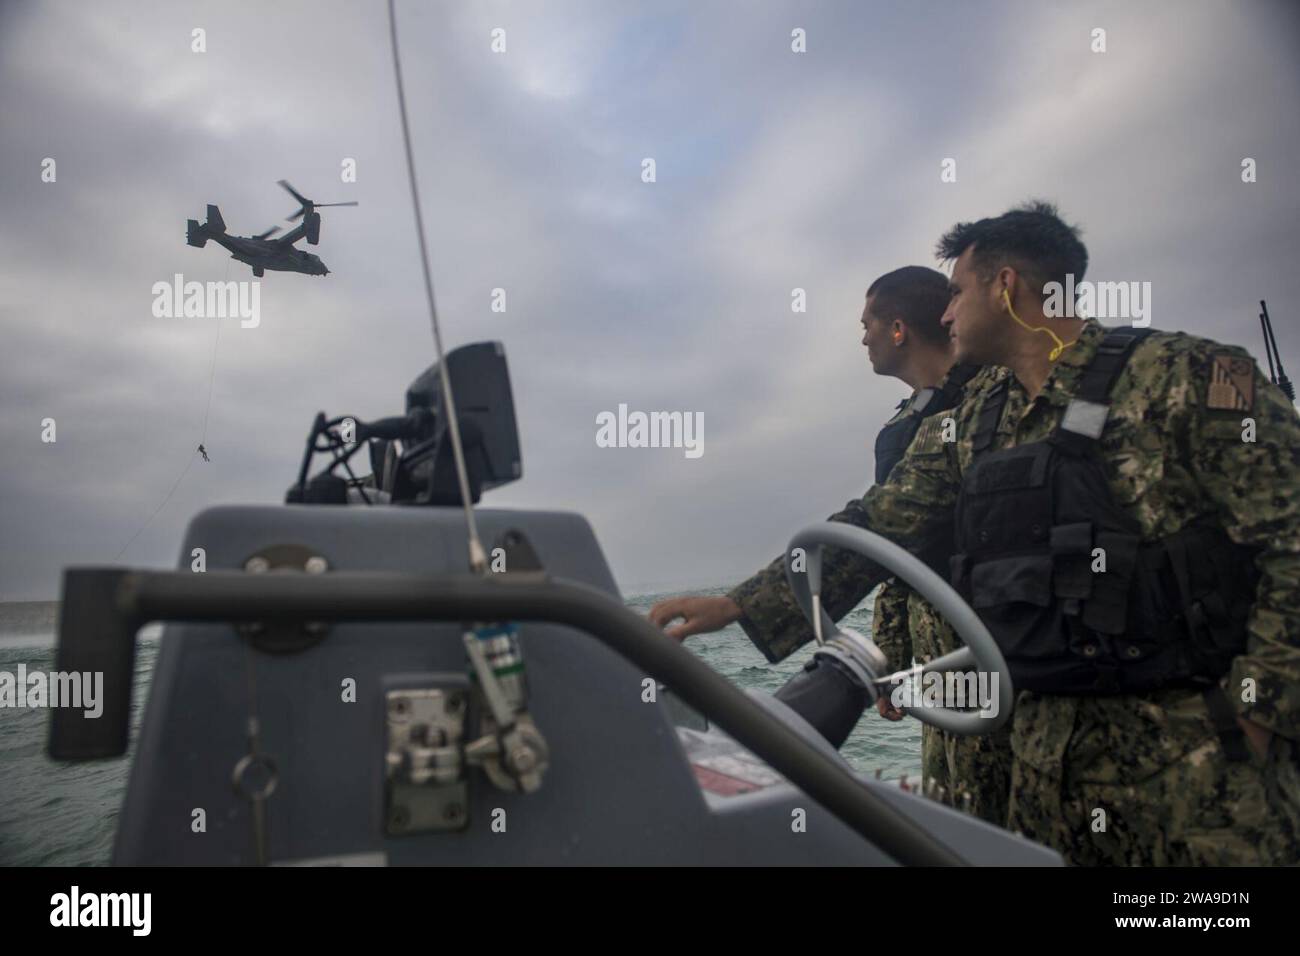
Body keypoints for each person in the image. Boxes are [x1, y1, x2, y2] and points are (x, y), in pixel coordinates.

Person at [651, 200, 1300, 865]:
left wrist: (1261, 712)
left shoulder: (1185, 377)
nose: (948, 312)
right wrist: (734, 605)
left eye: (958, 292)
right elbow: (879, 523)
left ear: (1006, 286)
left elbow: (1292, 543)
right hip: (1043, 765)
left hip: (1196, 771)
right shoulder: (974, 421)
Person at [653, 264, 1014, 825]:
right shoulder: (906, 429)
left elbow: (882, 528)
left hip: (1006, 645)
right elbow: (896, 546)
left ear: (898, 329)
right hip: (947, 661)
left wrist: (738, 604)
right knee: (960, 817)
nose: (861, 336)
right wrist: (889, 661)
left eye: (867, 322)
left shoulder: (995, 402)